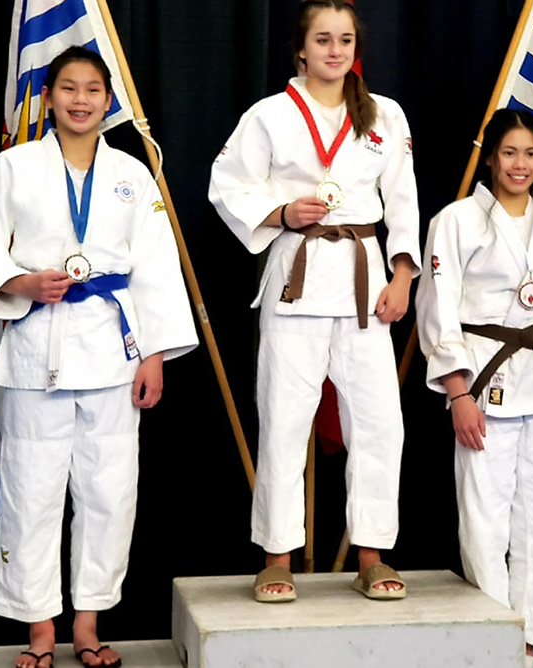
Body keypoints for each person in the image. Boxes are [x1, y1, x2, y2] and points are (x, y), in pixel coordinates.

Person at [0, 46, 198, 668]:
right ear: (49, 96)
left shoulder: (133, 175)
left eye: (94, 89)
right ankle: (40, 632)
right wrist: (22, 282)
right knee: (32, 492)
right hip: (37, 342)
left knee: (108, 490)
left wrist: (155, 354)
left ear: (108, 99)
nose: (82, 99)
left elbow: (157, 267)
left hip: (114, 347)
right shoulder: (12, 167)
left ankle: (87, 625)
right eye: (69, 87)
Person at [208, 0, 420, 602]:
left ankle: (372, 553)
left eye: (345, 39)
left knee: (380, 422)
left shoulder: (384, 115)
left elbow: (403, 202)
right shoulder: (270, 115)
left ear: (356, 47)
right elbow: (225, 187)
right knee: (283, 418)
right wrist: (279, 213)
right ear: (301, 49)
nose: (335, 49)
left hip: (364, 279)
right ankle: (277, 555)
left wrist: (402, 277)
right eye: (322, 39)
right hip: (296, 274)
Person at [416, 108, 533, 664]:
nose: (521, 165)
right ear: (489, 156)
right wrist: (457, 392)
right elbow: (436, 309)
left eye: (532, 154)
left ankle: (532, 645)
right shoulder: (456, 220)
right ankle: (493, 644)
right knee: (485, 522)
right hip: (483, 384)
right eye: (510, 153)